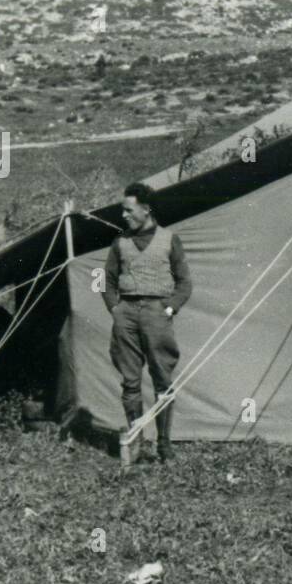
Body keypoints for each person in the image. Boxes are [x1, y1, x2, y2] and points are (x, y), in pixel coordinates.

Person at [103, 182, 192, 463]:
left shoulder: (169, 239)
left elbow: (185, 282)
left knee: (162, 381)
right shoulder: (119, 242)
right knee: (130, 382)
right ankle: (135, 442)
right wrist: (115, 309)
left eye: (129, 210)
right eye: (123, 211)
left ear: (145, 209)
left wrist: (169, 309)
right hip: (126, 313)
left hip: (157, 312)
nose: (124, 216)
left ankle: (164, 445)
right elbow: (107, 281)